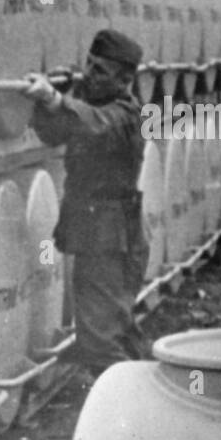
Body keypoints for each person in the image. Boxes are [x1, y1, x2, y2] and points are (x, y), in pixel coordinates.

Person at [24, 28, 148, 374]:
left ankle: (124, 418)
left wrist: (54, 98)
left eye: (100, 71)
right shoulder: (94, 105)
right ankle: (144, 402)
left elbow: (94, 124)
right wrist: (52, 100)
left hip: (111, 239)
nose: (89, 75)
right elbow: (53, 134)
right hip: (101, 235)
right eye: (89, 65)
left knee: (100, 343)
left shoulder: (125, 113)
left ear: (124, 79)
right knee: (114, 332)